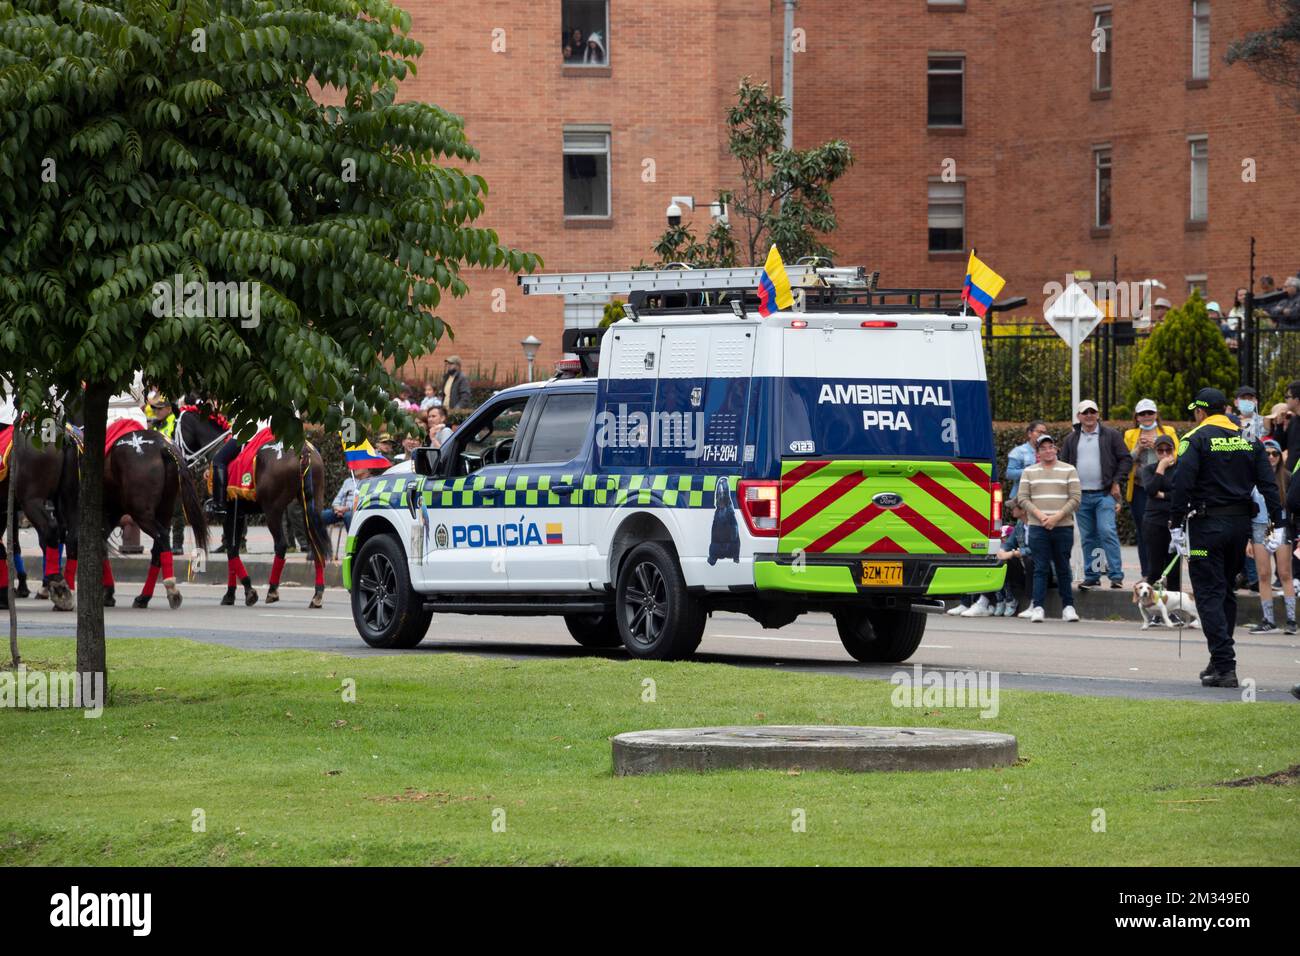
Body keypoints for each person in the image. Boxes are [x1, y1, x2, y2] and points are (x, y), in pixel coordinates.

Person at [1169, 387, 1283, 689]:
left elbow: (1181, 484)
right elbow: (1268, 484)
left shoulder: (1194, 439)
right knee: (1225, 590)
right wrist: (1278, 523)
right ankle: (1218, 656)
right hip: (1239, 527)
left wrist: (1175, 524)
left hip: (1207, 527)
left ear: (1201, 412)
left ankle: (1224, 664)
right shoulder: (1248, 438)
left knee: (1207, 592)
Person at [1060, 399, 1131, 589]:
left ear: (1098, 414)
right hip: (1081, 496)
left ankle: (1116, 575)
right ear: (1079, 416)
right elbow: (1064, 465)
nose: (1089, 415)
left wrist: (1116, 481)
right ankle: (1093, 575)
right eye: (1085, 412)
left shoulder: (1112, 435)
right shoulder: (1071, 439)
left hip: (1104, 494)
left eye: (1093, 412)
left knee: (1106, 531)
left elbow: (1126, 459)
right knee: (1089, 537)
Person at [1016, 433, 1081, 623]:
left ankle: (1068, 607)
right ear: (1037, 453)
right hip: (1038, 526)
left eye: (1050, 447)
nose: (1048, 451)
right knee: (1040, 567)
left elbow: (1076, 498)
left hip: (1063, 526)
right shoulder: (1029, 472)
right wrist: (1042, 516)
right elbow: (1023, 498)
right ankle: (1038, 607)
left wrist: (1057, 517)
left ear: (1056, 449)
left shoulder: (1069, 470)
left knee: (1063, 567)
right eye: (1043, 448)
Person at [1123, 398, 1177, 580]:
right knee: (1144, 532)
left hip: (1166, 487)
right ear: (1136, 417)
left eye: (1150, 413)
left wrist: (1158, 444)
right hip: (1140, 489)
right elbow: (1125, 461)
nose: (1146, 417)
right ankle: (1147, 574)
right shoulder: (1130, 434)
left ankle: (1168, 574)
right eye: (1142, 414)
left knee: (1170, 532)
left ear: (1156, 414)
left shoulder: (1167, 431)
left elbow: (1178, 454)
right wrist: (1138, 448)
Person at [1247, 440, 1296, 634]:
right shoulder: (1252, 478)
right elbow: (1246, 508)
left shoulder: (1287, 477)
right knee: (1264, 574)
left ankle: (1291, 620)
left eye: (1275, 453)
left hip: (1280, 525)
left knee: (1285, 573)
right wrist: (1248, 539)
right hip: (1259, 526)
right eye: (1266, 453)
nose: (1270, 457)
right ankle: (1268, 619)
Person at [1140, 433, 1181, 592]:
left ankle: (1173, 610)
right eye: (1160, 450)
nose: (1164, 454)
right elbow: (1150, 490)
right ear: (1155, 452)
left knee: (1174, 570)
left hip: (1174, 523)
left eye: (1168, 450)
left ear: (1173, 450)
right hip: (1154, 522)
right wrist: (1161, 468)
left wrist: (1163, 495)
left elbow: (1181, 495)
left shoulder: (1180, 469)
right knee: (1155, 569)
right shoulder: (1150, 469)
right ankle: (1154, 610)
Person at [993, 501, 1032, 617]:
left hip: (1041, 570)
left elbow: (1039, 549)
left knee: (1029, 560)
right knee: (996, 558)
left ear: (1023, 510)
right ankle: (999, 600)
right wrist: (1001, 551)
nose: (1011, 510)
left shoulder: (1036, 524)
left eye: (1013, 508)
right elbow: (1008, 544)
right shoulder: (1020, 524)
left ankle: (1033, 603)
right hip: (1023, 570)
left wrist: (1016, 553)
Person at [1005, 420, 1047, 500]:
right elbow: (1009, 473)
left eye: (1044, 433)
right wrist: (1031, 471)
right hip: (1021, 499)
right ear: (1029, 434)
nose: (1042, 435)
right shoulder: (1019, 451)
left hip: (1042, 497)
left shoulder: (1049, 452)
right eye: (1039, 432)